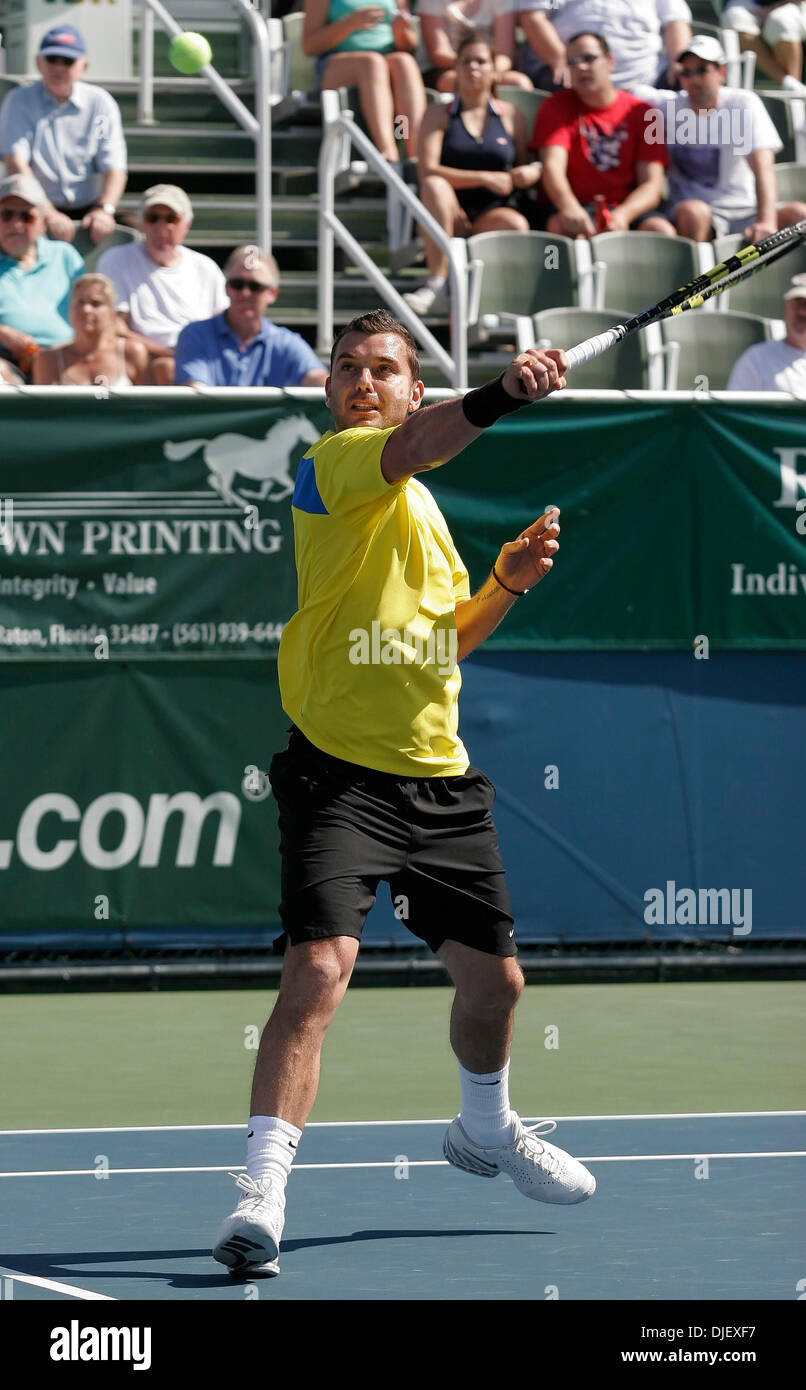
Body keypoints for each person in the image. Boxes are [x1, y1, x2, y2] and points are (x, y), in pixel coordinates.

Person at [211, 307, 596, 1280]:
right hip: (336, 772)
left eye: (383, 370)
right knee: (319, 972)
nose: (362, 382)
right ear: (331, 388)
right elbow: (423, 442)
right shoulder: (337, 463)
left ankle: (483, 1128)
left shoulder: (422, 516)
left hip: (437, 776)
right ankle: (261, 1192)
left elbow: (438, 646)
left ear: (410, 382)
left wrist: (503, 584)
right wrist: (505, 392)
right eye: (347, 368)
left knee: (495, 985)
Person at [403, 35, 541, 313]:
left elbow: (521, 167)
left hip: (491, 212)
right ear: (456, 68)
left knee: (515, 224)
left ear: (493, 70)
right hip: (449, 211)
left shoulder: (512, 116)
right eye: (466, 61)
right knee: (434, 185)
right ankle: (438, 285)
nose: (473, 68)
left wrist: (532, 171)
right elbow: (427, 168)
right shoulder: (437, 113)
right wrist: (485, 177)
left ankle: (493, 300)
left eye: (481, 61)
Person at [634, 36, 806, 241]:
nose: (694, 79)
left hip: (746, 210)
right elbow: (617, 94)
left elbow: (764, 167)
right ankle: (700, 272)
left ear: (721, 72)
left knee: (800, 215)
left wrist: (765, 222)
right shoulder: (664, 105)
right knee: (694, 212)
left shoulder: (742, 102)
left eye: (702, 70)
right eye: (686, 72)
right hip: (692, 213)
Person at [528, 31, 668, 238]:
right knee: (565, 227)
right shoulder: (555, 106)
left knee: (661, 230)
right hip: (574, 207)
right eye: (572, 62)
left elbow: (652, 185)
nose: (580, 67)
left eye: (588, 58)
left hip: (625, 208)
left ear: (610, 61)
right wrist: (570, 207)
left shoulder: (645, 114)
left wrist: (623, 215)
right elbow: (552, 168)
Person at [0, 25, 127, 245]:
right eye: (52, 58)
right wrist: (46, 211)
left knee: (140, 236)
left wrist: (105, 209)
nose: (58, 67)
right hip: (31, 208)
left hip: (92, 208)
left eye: (67, 61)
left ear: (83, 66)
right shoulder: (19, 101)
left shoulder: (100, 103)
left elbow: (114, 166)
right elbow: (15, 163)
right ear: (39, 62)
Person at [97, 185, 228, 386]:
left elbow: (222, 322)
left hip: (200, 357)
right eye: (153, 218)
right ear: (142, 223)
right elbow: (115, 326)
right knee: (166, 368)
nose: (161, 227)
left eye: (171, 219)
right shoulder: (116, 260)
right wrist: (165, 353)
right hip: (144, 359)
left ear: (186, 224)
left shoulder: (206, 268)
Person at [174, 245, 328, 388]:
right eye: (237, 284)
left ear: (272, 294)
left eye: (255, 287)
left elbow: (316, 376)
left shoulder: (285, 342)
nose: (245, 293)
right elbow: (196, 393)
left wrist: (329, 386)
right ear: (227, 288)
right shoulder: (195, 335)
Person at [302, 0, 426, 167]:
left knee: (405, 62)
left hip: (386, 65)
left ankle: (416, 156)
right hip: (336, 66)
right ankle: (388, 152)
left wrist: (402, 32)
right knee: (372, 63)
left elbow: (408, 45)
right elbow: (310, 46)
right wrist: (349, 23)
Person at [0, 172, 84, 385]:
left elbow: (90, 307)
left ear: (44, 222)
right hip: (7, 361)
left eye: (26, 217)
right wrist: (3, 333)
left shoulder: (65, 255)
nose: (16, 224)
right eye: (6, 215)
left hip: (65, 357)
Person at [518, 0, 692, 92]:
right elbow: (533, 17)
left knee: (690, 82)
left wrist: (678, 60)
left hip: (646, 80)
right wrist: (560, 60)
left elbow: (676, 21)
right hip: (570, 77)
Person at [31, 273, 148, 387]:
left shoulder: (132, 352)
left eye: (95, 303)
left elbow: (148, 403)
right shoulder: (49, 359)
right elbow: (44, 406)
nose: (86, 310)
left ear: (112, 313)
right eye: (80, 302)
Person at [417, 0, 533, 92]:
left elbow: (505, 54)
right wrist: (472, 66)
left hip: (490, 69)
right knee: (450, 82)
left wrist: (488, 71)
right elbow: (439, 54)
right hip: (447, 70)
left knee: (520, 83)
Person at [726, 272, 806, 391]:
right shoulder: (756, 360)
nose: (802, 312)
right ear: (785, 308)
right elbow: (734, 408)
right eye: (797, 304)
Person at [721, 1, 806, 92]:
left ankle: (795, 97)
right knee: (734, 17)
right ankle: (789, 83)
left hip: (796, 4)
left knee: (781, 22)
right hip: (751, 2)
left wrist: (773, 7)